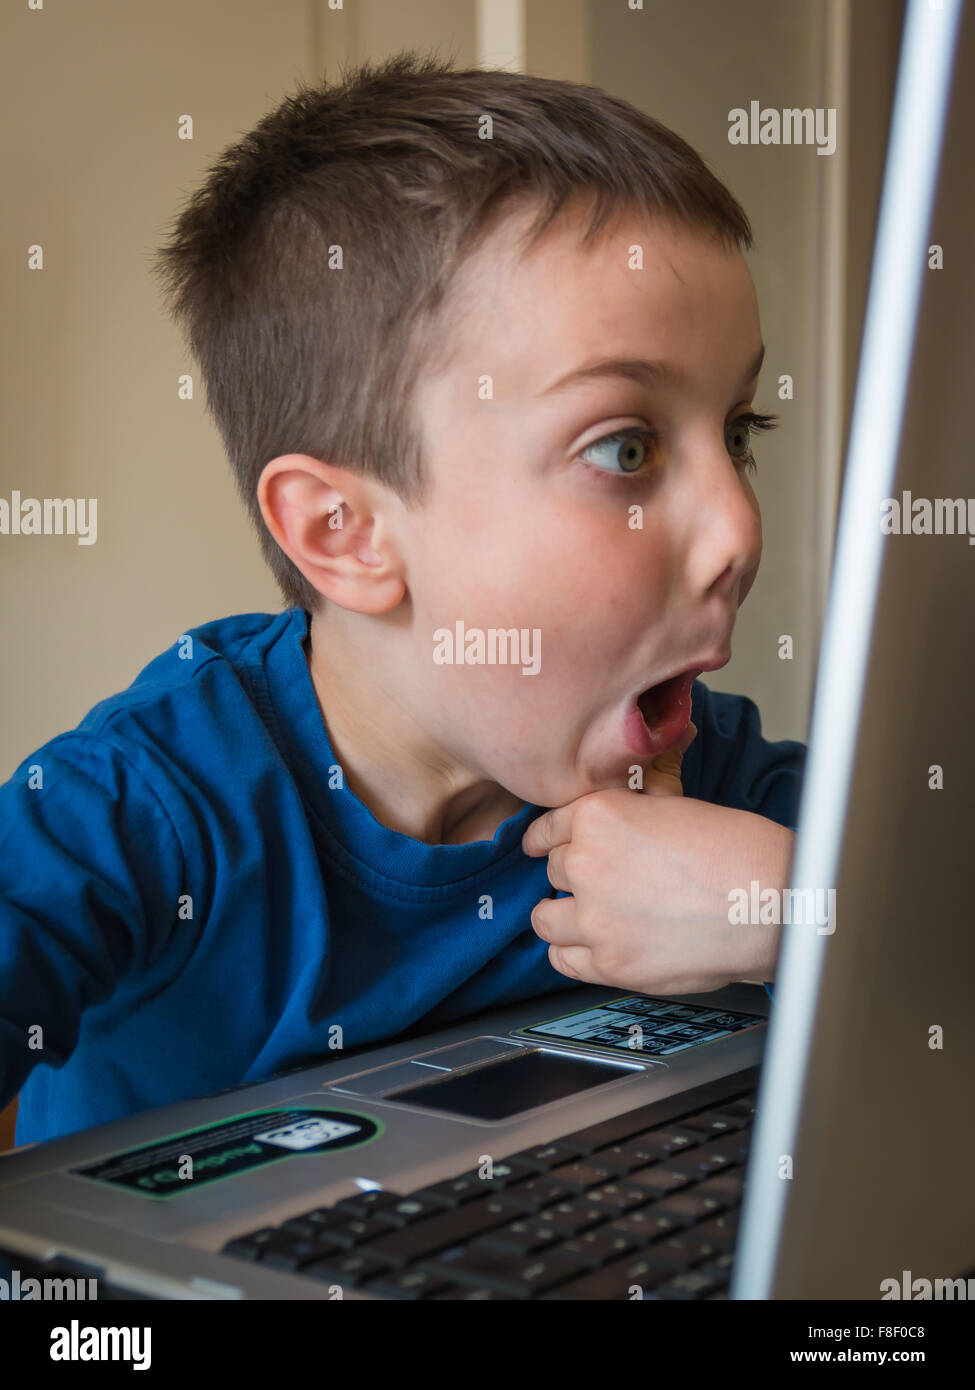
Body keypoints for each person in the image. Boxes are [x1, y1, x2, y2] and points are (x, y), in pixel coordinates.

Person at [0, 52, 804, 1147]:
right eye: (626, 445)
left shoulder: (703, 777)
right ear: (349, 534)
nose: (740, 531)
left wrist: (792, 907)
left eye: (740, 432)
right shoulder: (143, 806)